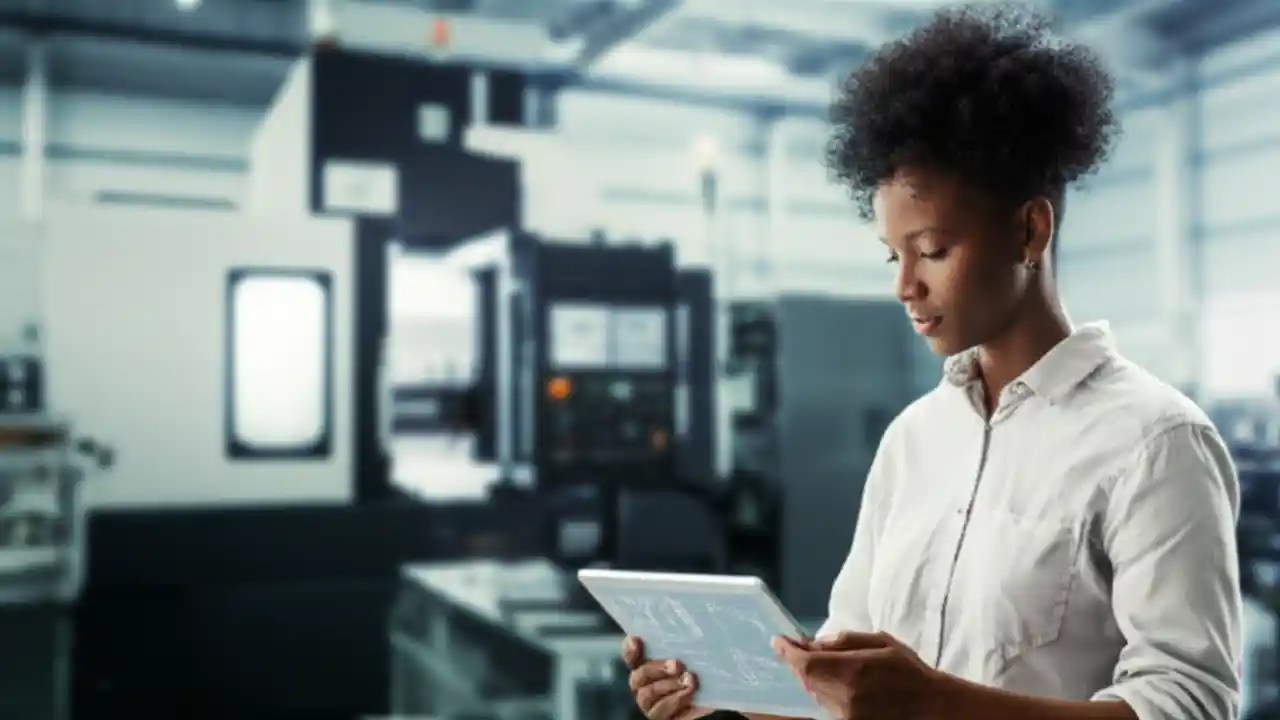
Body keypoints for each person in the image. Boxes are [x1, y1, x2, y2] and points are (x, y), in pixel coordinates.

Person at [622, 3, 1243, 720]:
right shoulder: (914, 440)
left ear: (1029, 230)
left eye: (933, 250)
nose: (904, 285)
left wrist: (936, 705)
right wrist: (721, 695)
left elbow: (1190, 705)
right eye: (894, 255)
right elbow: (844, 686)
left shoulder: (1155, 443)